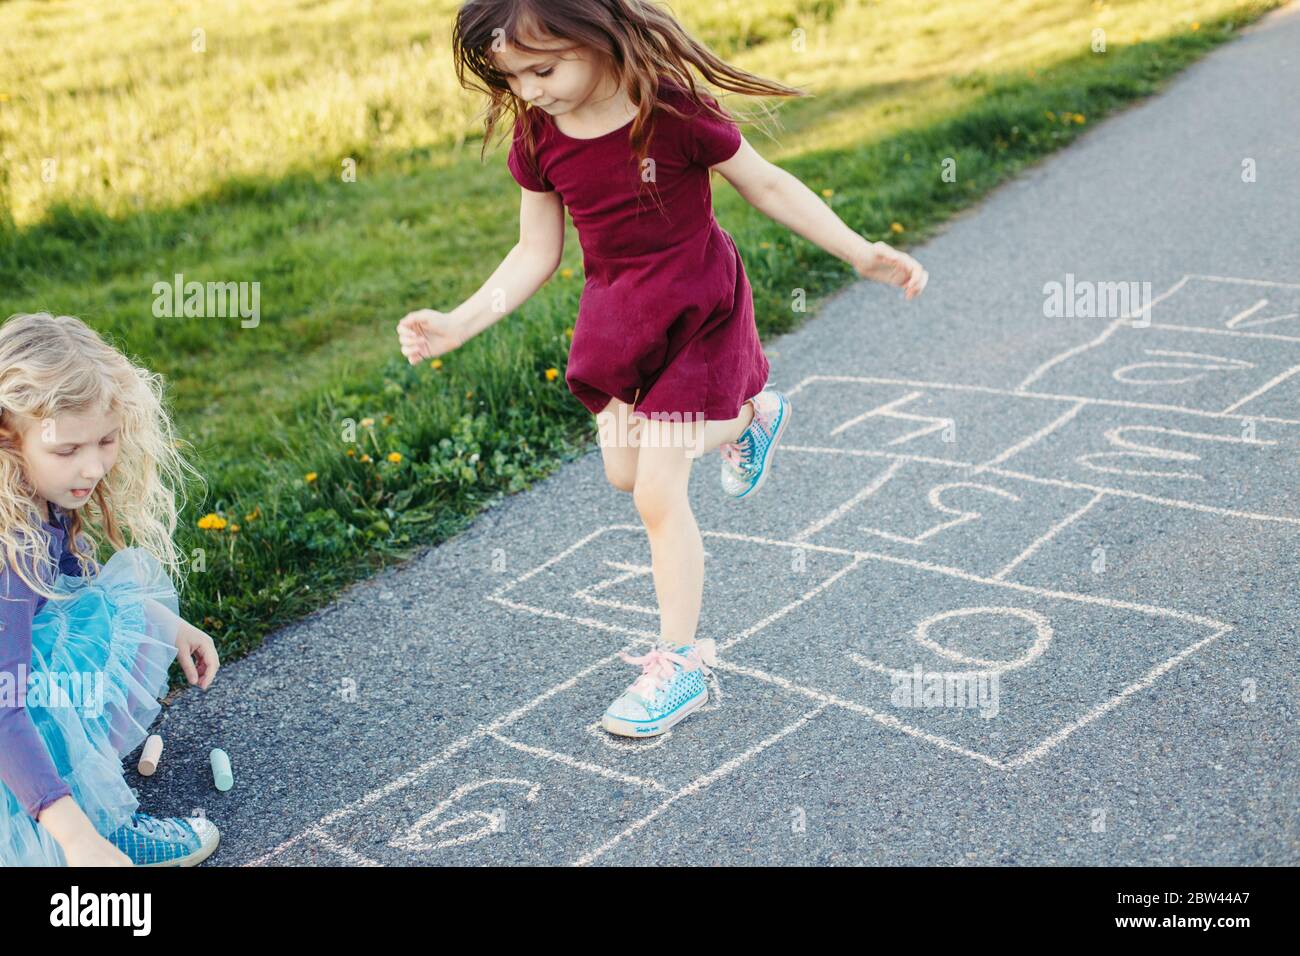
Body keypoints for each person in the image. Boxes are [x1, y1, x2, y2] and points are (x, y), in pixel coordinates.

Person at [398, 0, 927, 738]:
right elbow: (535, 253)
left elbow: (766, 184)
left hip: (695, 309)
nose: (529, 89)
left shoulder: (670, 110)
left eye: (543, 68)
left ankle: (681, 664)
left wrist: (859, 250)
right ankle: (753, 416)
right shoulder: (539, 134)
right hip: (619, 318)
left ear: (596, 36)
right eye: (512, 76)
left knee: (655, 491)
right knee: (624, 471)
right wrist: (458, 321)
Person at [0, 312, 221, 865]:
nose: (93, 466)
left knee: (105, 604)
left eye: (105, 440)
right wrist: (79, 840)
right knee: (52, 663)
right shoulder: (9, 547)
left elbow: (74, 588)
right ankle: (92, 823)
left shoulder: (34, 492)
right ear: (9, 436)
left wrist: (168, 625)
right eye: (68, 450)